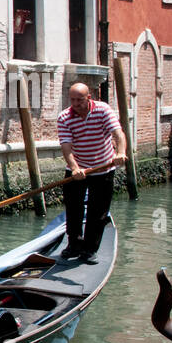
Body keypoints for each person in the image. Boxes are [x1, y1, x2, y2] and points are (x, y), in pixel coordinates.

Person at [58, 82, 127, 264]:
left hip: (103, 168)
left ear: (89, 97)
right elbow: (66, 146)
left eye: (79, 100)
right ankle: (74, 245)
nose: (76, 103)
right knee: (73, 210)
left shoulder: (103, 110)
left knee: (97, 213)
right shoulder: (64, 117)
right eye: (72, 100)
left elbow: (118, 133)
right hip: (77, 169)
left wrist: (120, 153)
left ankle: (89, 249)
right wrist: (74, 168)